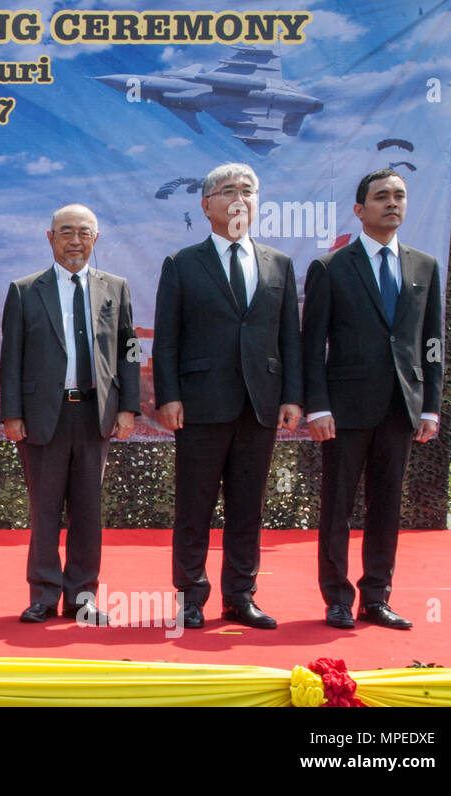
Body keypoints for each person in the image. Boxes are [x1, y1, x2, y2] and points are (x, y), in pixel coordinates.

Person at [152, 162, 302, 630]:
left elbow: (289, 338)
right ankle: (190, 595)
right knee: (194, 506)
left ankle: (240, 594)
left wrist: (292, 396)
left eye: (249, 190)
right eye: (229, 191)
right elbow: (168, 339)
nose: (240, 198)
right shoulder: (182, 263)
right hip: (199, 404)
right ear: (207, 205)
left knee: (247, 507)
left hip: (259, 403)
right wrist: (168, 395)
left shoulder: (279, 263)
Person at [302, 169, 442, 630]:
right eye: (381, 196)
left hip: (402, 406)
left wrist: (430, 405)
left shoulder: (424, 266)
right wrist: (317, 406)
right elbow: (312, 344)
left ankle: (376, 597)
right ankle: (337, 598)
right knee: (337, 508)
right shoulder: (330, 268)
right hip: (344, 409)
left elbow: (431, 343)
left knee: (386, 506)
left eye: (399, 196)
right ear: (360, 210)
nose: (392, 203)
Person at [0, 204, 140, 625]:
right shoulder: (25, 290)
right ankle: (43, 593)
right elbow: (11, 358)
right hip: (44, 415)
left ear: (95, 239)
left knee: (88, 509)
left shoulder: (116, 288)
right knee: (44, 508)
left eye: (83, 232)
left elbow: (129, 352)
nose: (74, 240)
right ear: (50, 238)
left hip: (96, 414)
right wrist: (12, 413)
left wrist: (129, 407)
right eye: (65, 232)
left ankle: (83, 596)